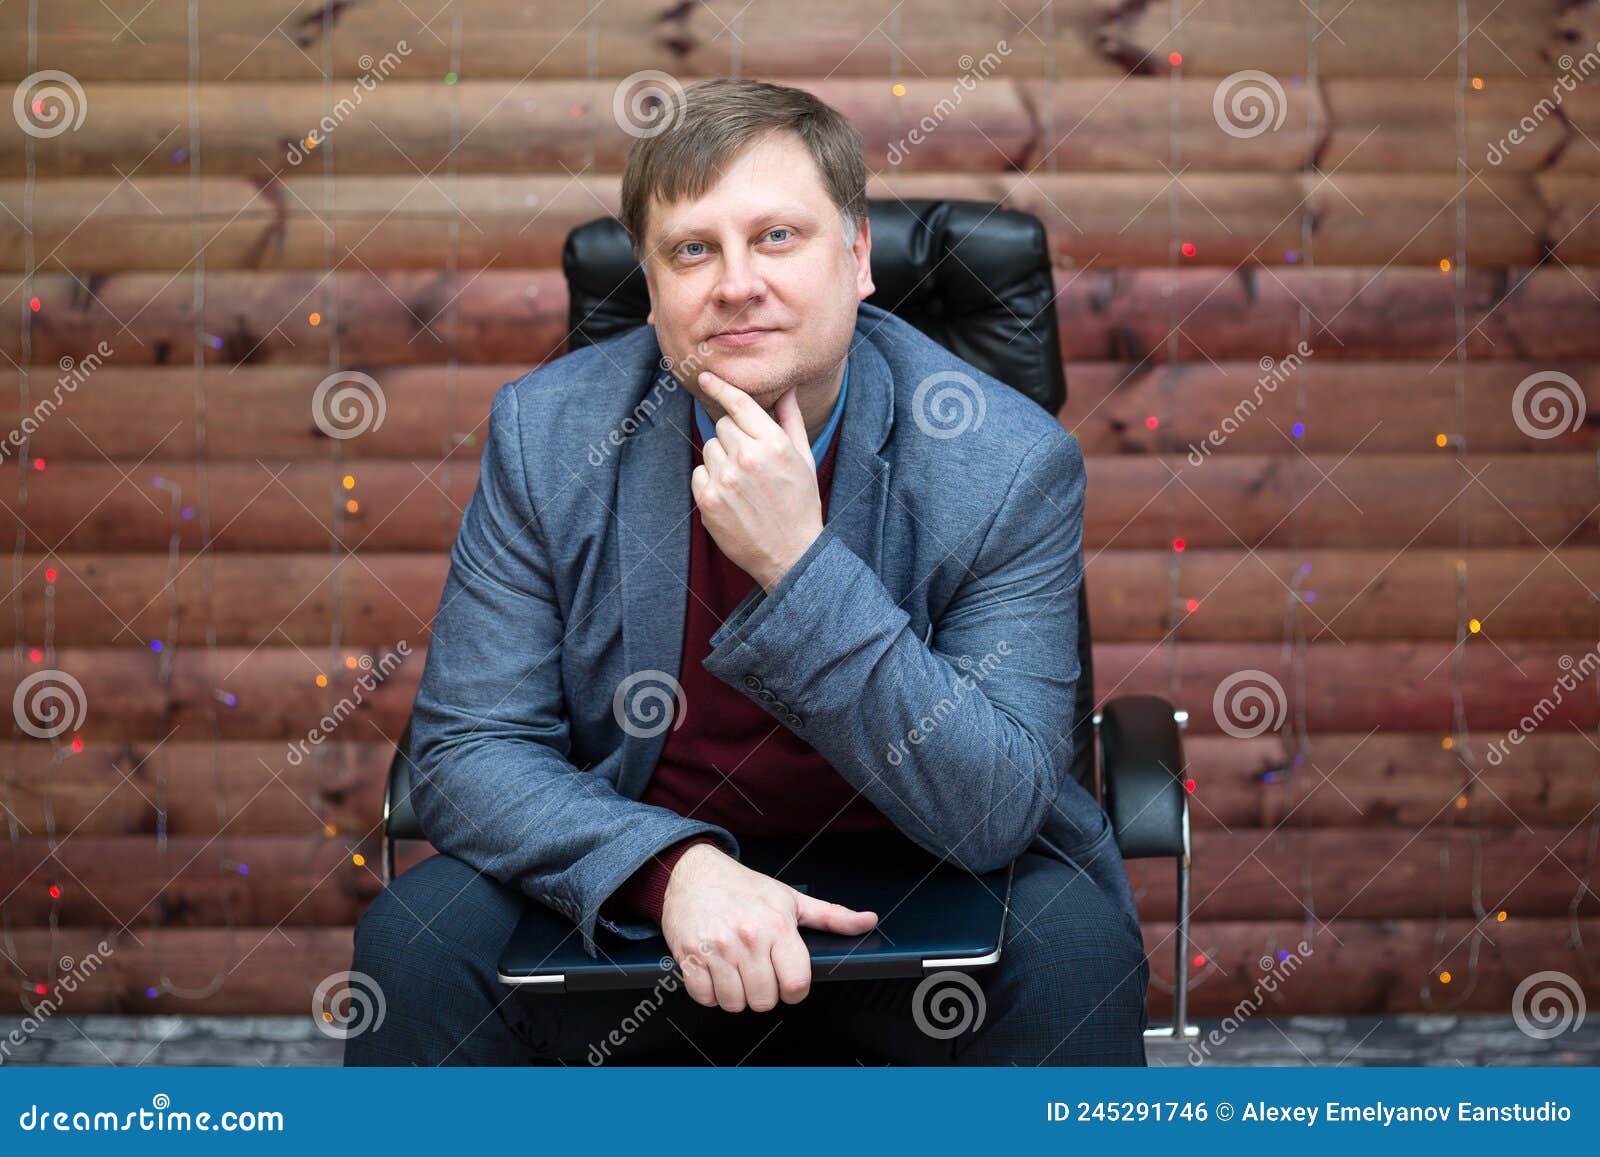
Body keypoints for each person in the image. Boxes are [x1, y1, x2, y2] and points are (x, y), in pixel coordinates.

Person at [346, 77, 1148, 1066]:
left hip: (925, 872)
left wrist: (798, 566)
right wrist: (669, 869)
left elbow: (990, 808)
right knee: (416, 943)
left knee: (1071, 948)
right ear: (650, 286)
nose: (735, 283)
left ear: (856, 257)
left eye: (777, 237)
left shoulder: (1003, 462)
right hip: (636, 881)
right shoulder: (547, 437)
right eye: (693, 249)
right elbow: (469, 749)